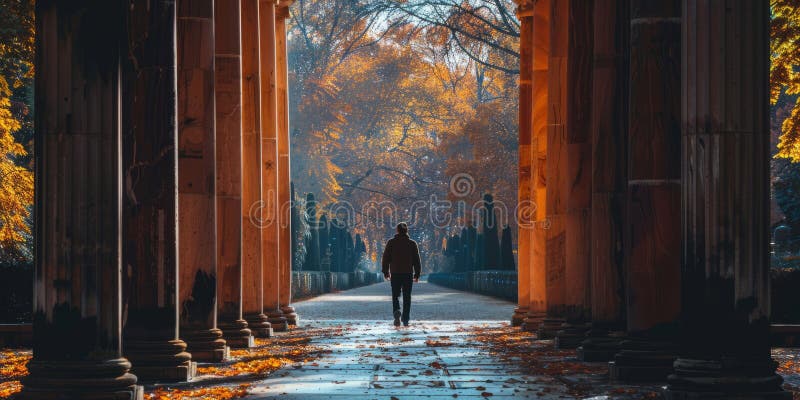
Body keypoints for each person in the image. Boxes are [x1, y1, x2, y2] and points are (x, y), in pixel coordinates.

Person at [381, 222, 421, 327]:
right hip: (408, 273)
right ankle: (406, 318)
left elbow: (385, 258)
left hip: (395, 273)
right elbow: (416, 260)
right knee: (407, 296)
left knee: (395, 295)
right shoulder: (412, 243)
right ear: (406, 231)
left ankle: (396, 311)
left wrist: (385, 271)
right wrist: (417, 274)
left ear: (397, 231)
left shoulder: (391, 243)